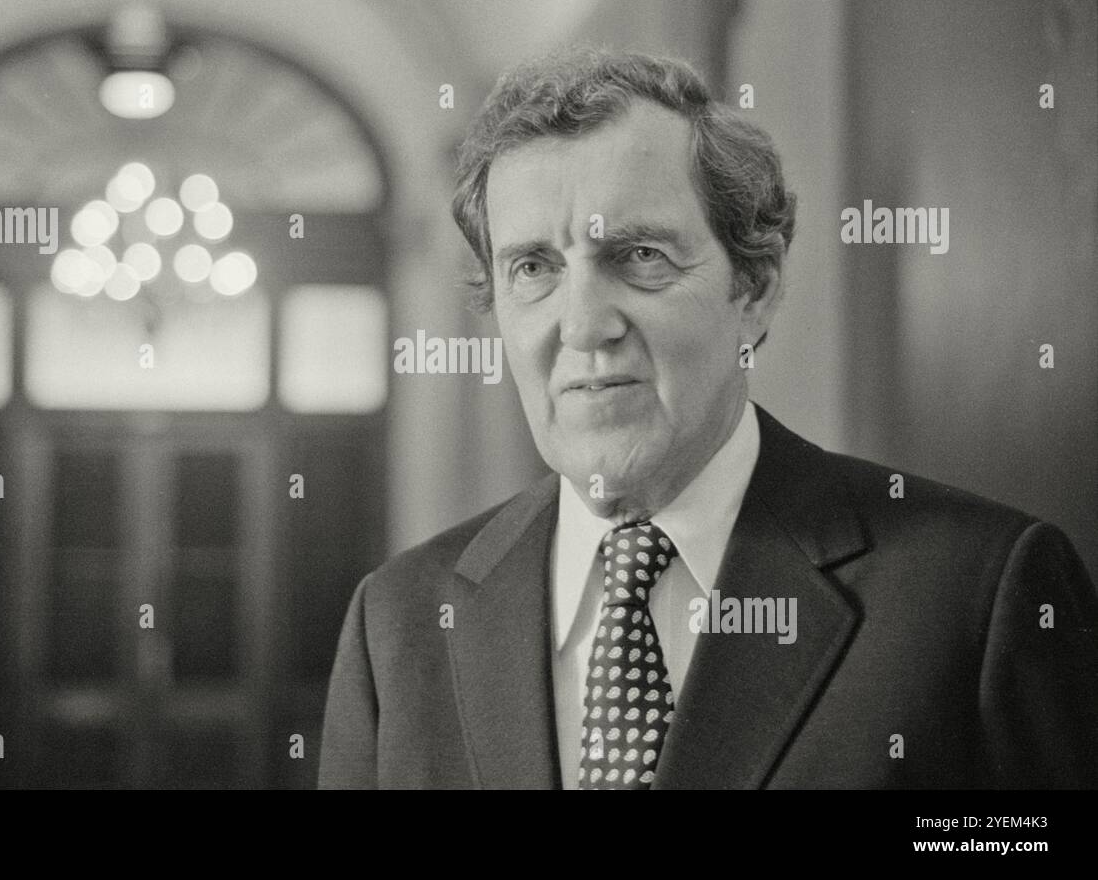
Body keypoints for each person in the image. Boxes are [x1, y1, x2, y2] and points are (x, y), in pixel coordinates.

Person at [318, 46, 1098, 789]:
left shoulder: (979, 593)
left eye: (641, 257)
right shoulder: (399, 624)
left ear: (753, 289)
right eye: (533, 268)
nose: (584, 324)